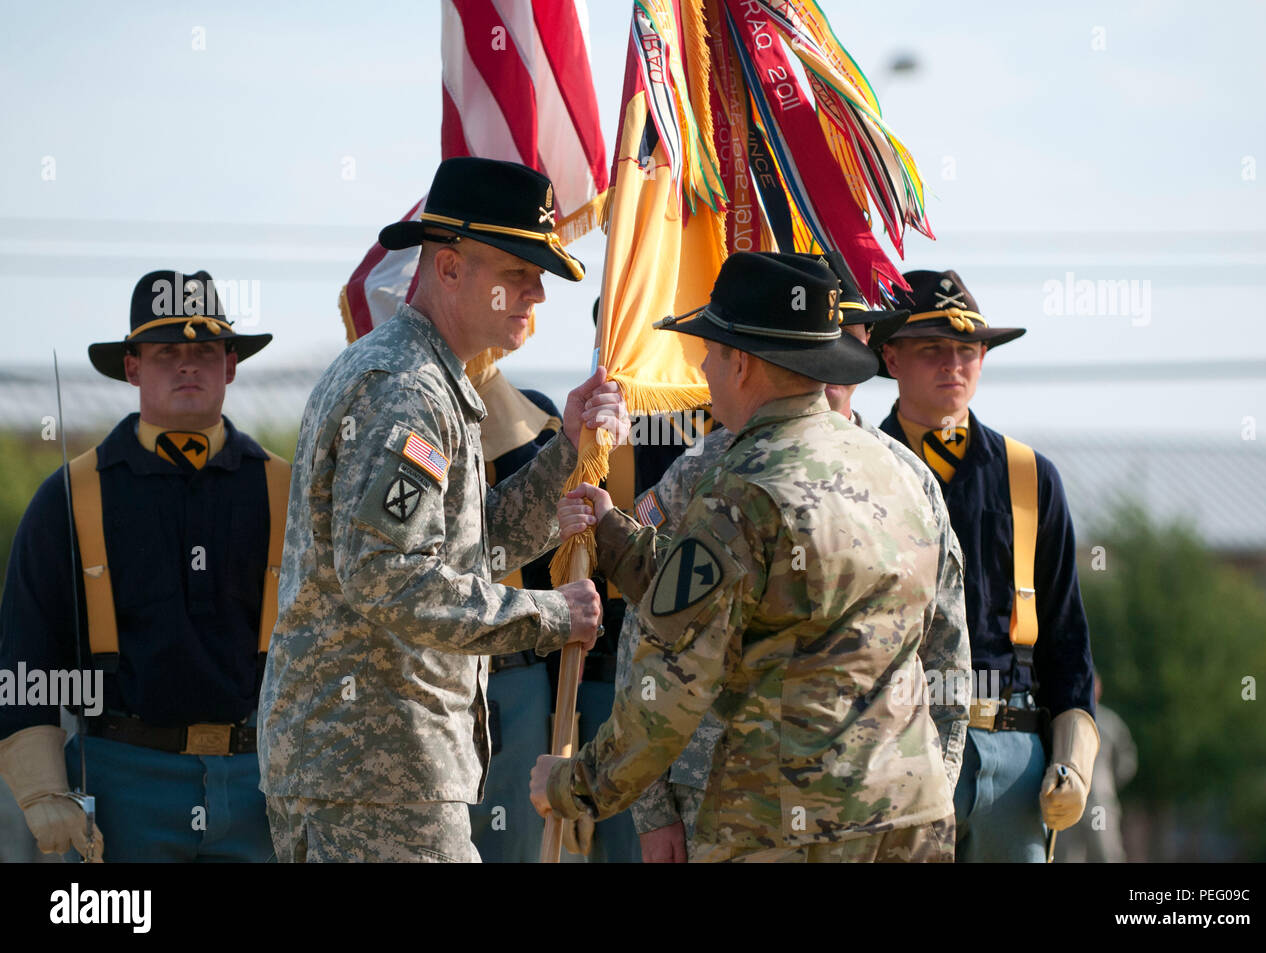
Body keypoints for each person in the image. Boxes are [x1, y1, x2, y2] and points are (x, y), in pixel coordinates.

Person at [531, 252, 957, 862]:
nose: (701, 366)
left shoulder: (743, 488)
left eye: (709, 349)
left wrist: (574, 786)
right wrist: (612, 533)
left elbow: (671, 686)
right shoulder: (897, 471)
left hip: (784, 821)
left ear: (742, 361)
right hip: (909, 816)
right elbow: (757, 597)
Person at [258, 157, 626, 863]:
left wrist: (566, 449)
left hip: (375, 768)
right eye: (516, 270)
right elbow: (389, 577)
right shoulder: (405, 388)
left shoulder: (423, 377)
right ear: (449, 268)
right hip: (374, 772)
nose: (537, 292)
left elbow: (467, 551)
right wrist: (551, 616)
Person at [0, 269, 283, 862]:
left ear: (230, 364)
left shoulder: (286, 490)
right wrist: (40, 785)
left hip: (264, 782)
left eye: (204, 350)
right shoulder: (72, 494)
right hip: (118, 780)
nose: (187, 365)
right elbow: (26, 652)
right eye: (166, 352)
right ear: (132, 367)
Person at [876, 269, 1099, 863]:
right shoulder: (858, 471)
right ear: (890, 358)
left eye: (968, 350)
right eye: (932, 350)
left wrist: (1074, 757)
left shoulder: (1030, 476)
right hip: (897, 750)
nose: (954, 364)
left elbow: (1065, 636)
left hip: (1014, 754)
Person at [464, 363, 563, 862]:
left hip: (515, 673)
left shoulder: (534, 414)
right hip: (423, 672)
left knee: (520, 847)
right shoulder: (391, 414)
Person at [1057, 675, 1136, 863]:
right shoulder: (1065, 719)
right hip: (1069, 801)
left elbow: (1126, 761)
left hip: (1098, 805)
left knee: (1104, 851)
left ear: (1098, 689)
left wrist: (1108, 785)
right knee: (1066, 855)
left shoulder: (1109, 723)